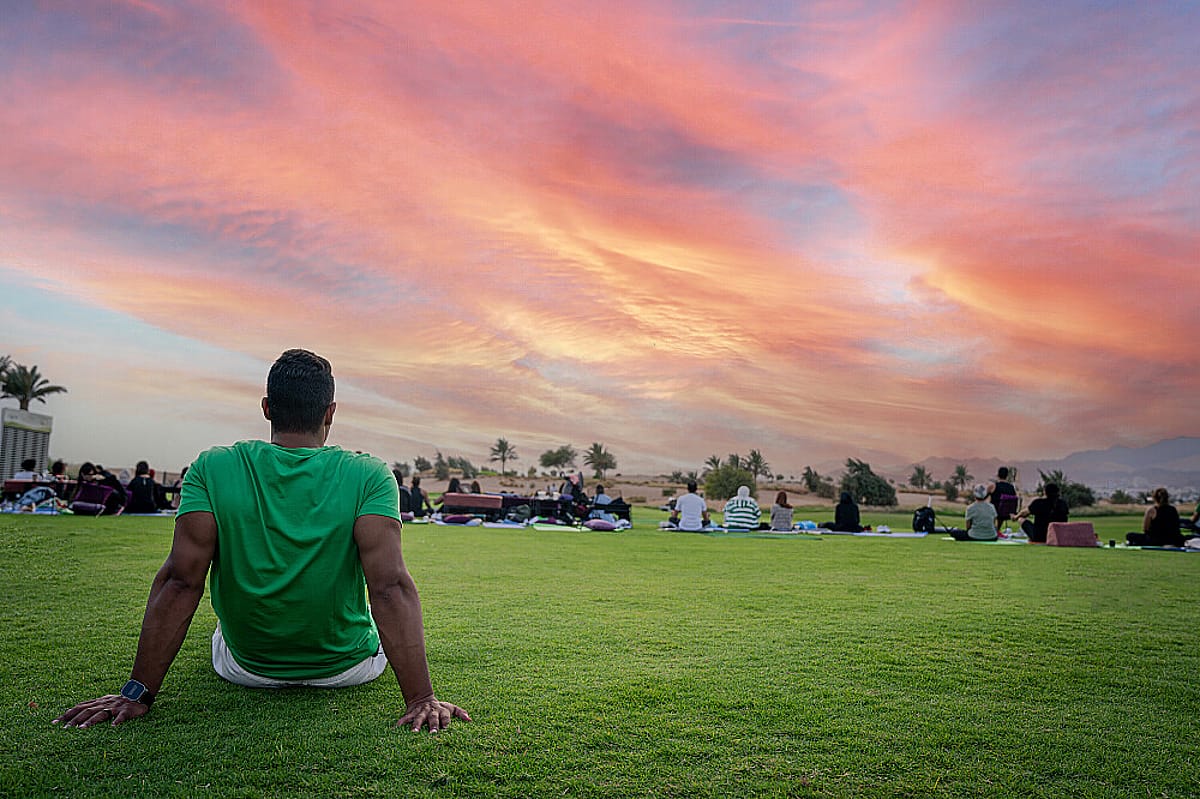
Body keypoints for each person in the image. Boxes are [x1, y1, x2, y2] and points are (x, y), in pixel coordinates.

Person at [53, 349, 468, 733]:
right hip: (347, 669)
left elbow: (181, 582)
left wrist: (136, 692)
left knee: (219, 632)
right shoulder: (370, 475)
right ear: (331, 412)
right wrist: (422, 698)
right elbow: (390, 587)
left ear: (267, 407)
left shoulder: (212, 467)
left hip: (246, 668)